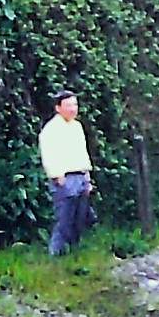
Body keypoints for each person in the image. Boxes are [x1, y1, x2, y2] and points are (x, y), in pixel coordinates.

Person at [39, 89, 95, 256]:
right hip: (64, 177)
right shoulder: (51, 129)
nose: (73, 109)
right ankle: (56, 254)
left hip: (80, 175)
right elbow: (48, 154)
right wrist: (57, 175)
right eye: (68, 105)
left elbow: (82, 152)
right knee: (64, 218)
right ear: (58, 108)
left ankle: (74, 252)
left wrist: (87, 177)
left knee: (80, 217)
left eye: (75, 105)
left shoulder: (77, 127)